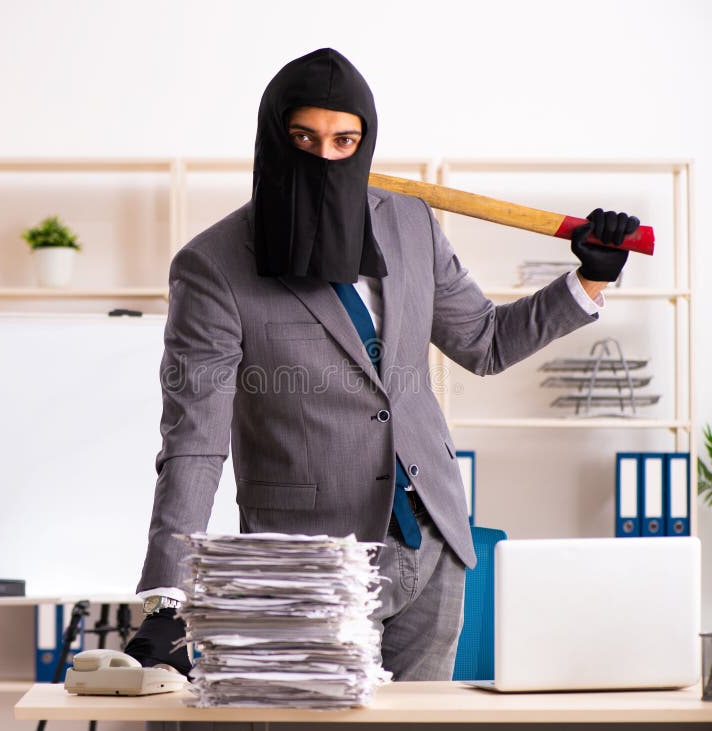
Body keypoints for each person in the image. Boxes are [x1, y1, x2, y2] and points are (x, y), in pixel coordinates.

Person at [125, 48, 638, 681]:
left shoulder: (410, 223)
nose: (325, 157)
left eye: (344, 141)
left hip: (433, 543)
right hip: (305, 565)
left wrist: (589, 279)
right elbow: (194, 439)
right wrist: (167, 594)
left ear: (365, 142)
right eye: (305, 138)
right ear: (274, 138)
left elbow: (484, 342)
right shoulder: (213, 266)